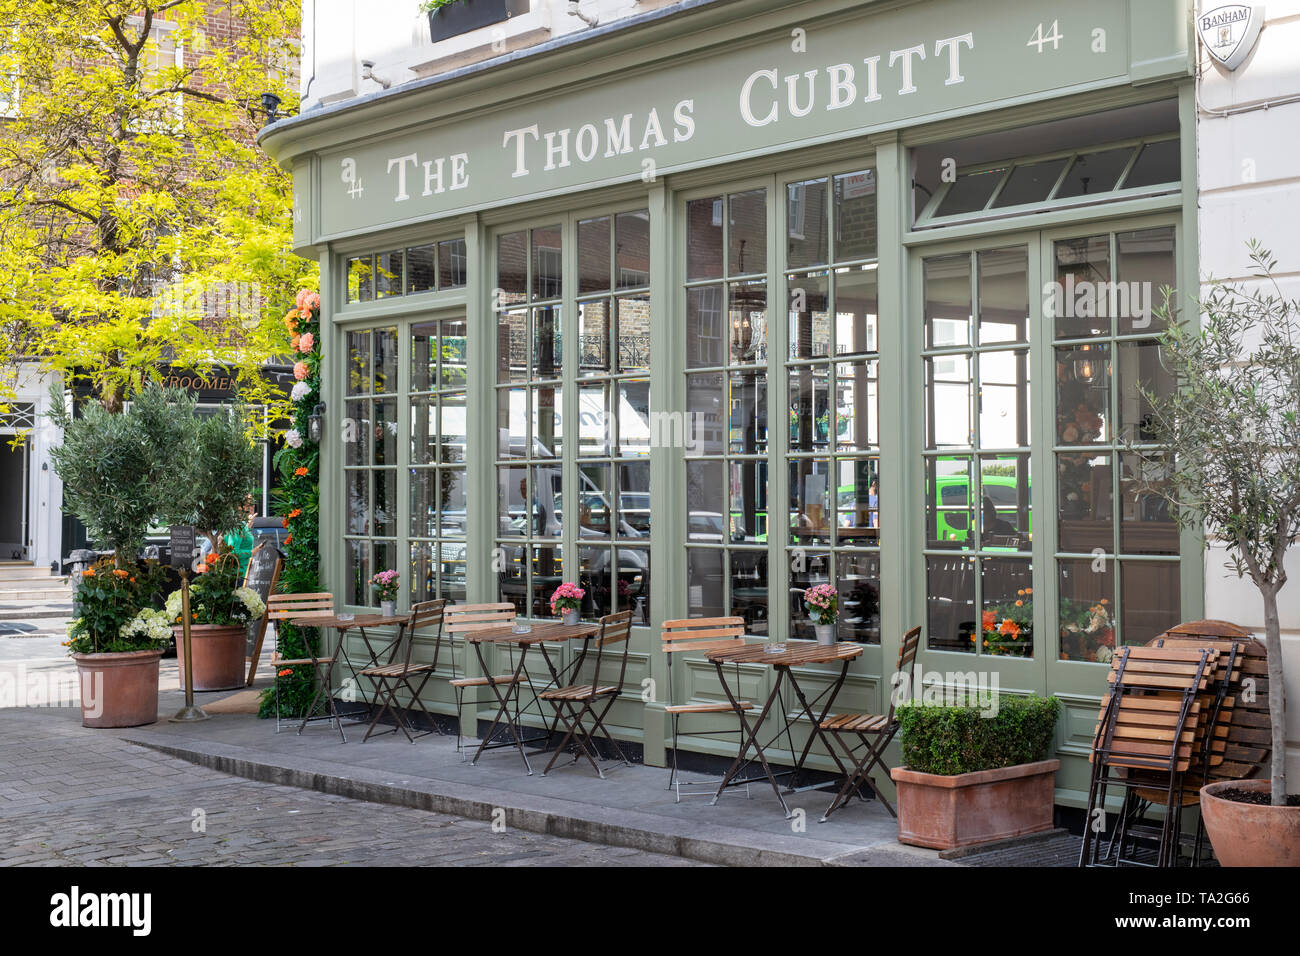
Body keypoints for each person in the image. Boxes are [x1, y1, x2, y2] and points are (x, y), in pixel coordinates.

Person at [224, 495, 256, 578]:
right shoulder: (236, 525)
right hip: (239, 574)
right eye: (249, 505)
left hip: (245, 572)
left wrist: (248, 525)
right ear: (240, 507)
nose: (252, 507)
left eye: (253, 504)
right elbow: (233, 552)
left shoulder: (242, 525)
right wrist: (253, 552)